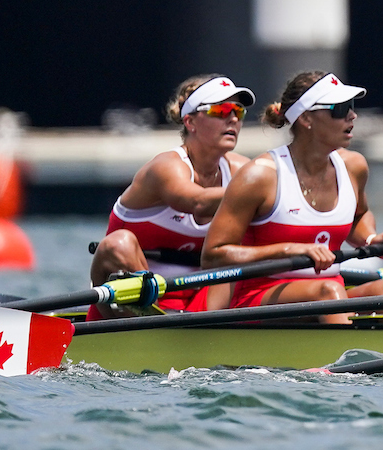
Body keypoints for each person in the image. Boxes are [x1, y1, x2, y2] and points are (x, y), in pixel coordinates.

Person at [201, 73, 383, 321]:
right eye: (340, 109)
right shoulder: (260, 176)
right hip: (261, 299)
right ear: (305, 118)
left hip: (329, 294)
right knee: (329, 292)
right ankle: (347, 358)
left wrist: (371, 238)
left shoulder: (354, 167)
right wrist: (289, 250)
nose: (352, 116)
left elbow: (359, 215)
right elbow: (213, 256)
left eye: (351, 107)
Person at [90, 74, 260, 310]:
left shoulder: (242, 170)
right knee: (117, 244)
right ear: (190, 122)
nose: (232, 119)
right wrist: (258, 192)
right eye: (221, 111)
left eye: (238, 112)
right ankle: (151, 325)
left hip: (200, 305)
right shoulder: (166, 168)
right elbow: (197, 201)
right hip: (135, 304)